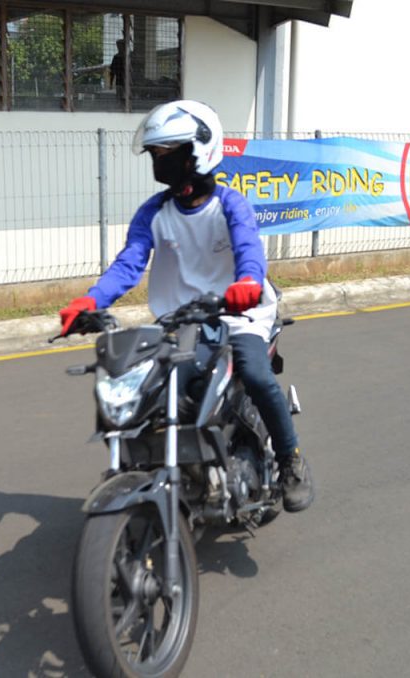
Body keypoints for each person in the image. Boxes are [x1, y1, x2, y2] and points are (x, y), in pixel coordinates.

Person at [57, 100, 314, 512]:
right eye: (156, 155)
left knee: (255, 373)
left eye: (170, 153)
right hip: (180, 321)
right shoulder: (153, 212)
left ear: (201, 151)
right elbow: (128, 264)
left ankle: (291, 461)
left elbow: (249, 250)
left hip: (239, 314)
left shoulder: (230, 204)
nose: (162, 163)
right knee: (149, 388)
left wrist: (248, 283)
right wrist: (90, 301)